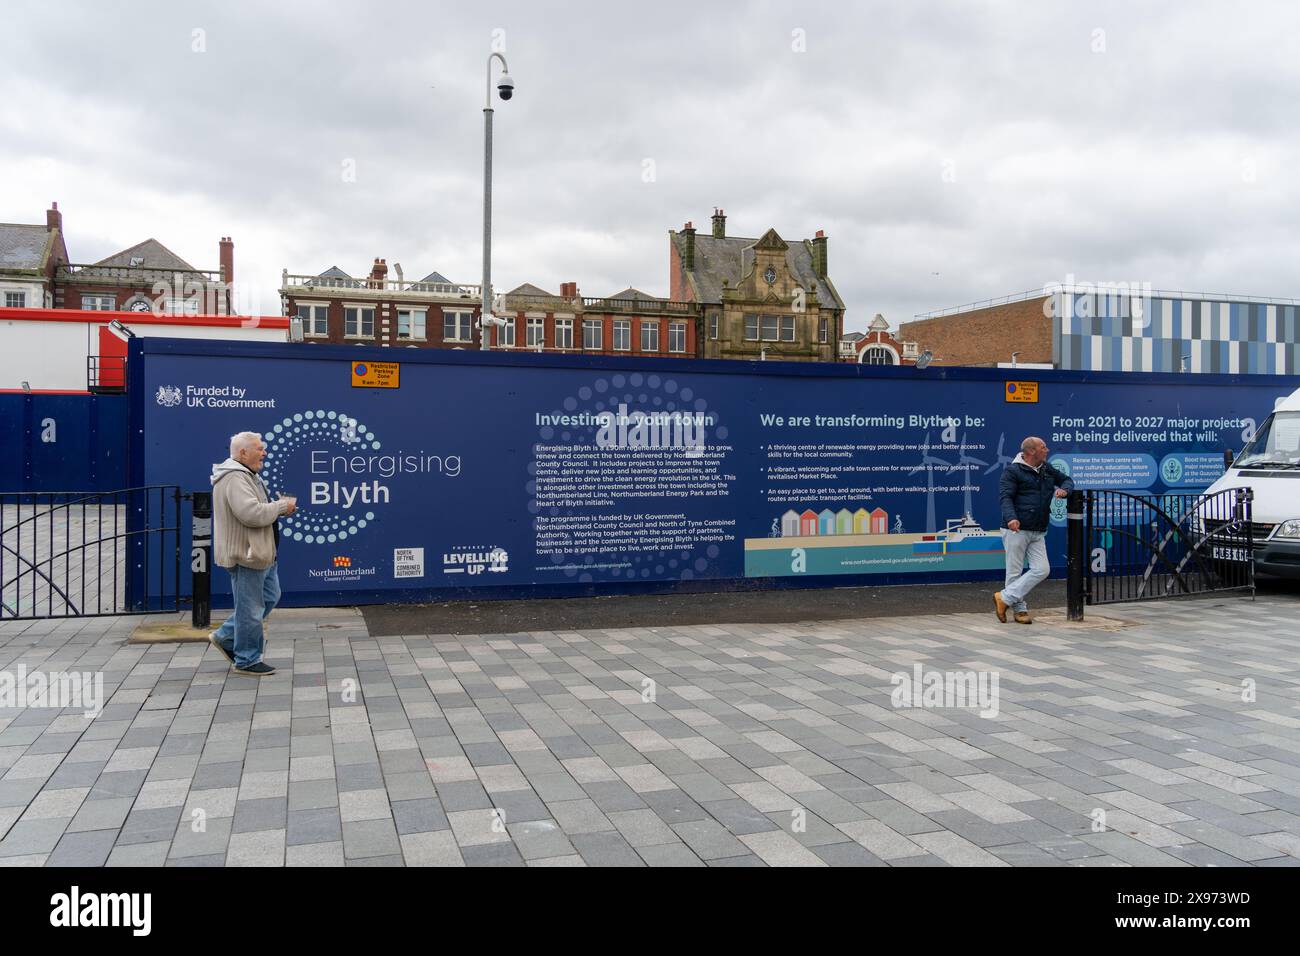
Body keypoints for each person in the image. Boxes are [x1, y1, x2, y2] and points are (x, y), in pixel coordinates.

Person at [209, 432, 296, 675]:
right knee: (251, 608)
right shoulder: (235, 477)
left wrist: (279, 510)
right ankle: (246, 659)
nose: (264, 452)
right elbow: (251, 513)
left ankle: (226, 636)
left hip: (260, 554)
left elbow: (255, 511)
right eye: (259, 448)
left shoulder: (246, 475)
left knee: (269, 596)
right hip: (247, 555)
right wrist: (281, 506)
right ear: (243, 452)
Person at [995, 436, 1072, 624]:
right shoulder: (1012, 471)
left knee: (1042, 569)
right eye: (1043, 447)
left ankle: (1003, 598)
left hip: (1038, 529)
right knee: (1014, 572)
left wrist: (1065, 490)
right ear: (1031, 452)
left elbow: (1067, 480)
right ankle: (1019, 610)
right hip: (1016, 529)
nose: (1047, 449)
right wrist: (1011, 517)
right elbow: (1005, 498)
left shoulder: (1047, 468)